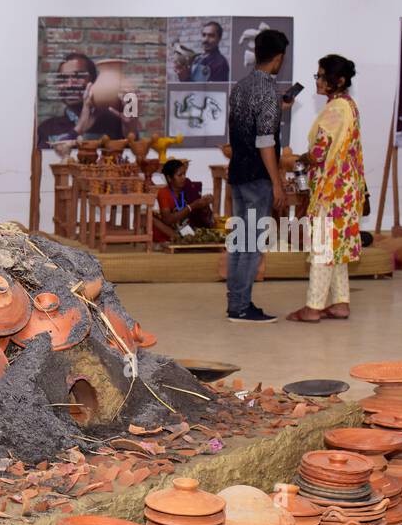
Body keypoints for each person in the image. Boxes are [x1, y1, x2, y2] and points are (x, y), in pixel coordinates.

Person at [287, 56, 366, 323]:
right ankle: (341, 302)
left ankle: (312, 307)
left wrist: (299, 159)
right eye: (317, 76)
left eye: (322, 76)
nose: (318, 81)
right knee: (338, 245)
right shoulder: (349, 106)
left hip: (332, 189)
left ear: (339, 81)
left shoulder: (335, 110)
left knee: (322, 246)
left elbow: (320, 152)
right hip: (347, 188)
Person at [224, 27, 290, 324]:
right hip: (258, 178)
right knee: (252, 244)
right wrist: (277, 183)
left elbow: (246, 129)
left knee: (240, 242)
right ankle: (240, 307)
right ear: (278, 58)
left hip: (238, 173)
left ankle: (235, 302)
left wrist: (279, 109)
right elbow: (265, 141)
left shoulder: (240, 87)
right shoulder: (268, 91)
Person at [37, 52, 132, 148]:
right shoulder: (47, 129)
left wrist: (130, 129)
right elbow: (48, 160)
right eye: (63, 79)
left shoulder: (114, 124)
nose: (70, 85)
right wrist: (80, 128)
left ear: (94, 81)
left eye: (78, 77)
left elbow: (133, 158)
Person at [153, 159, 216, 242]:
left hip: (190, 227)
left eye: (184, 174)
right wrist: (191, 206)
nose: (184, 177)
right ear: (169, 178)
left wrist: (205, 203)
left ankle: (187, 238)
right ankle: (179, 238)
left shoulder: (189, 187)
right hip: (172, 230)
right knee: (151, 218)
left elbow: (199, 214)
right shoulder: (163, 193)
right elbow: (167, 220)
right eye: (180, 175)